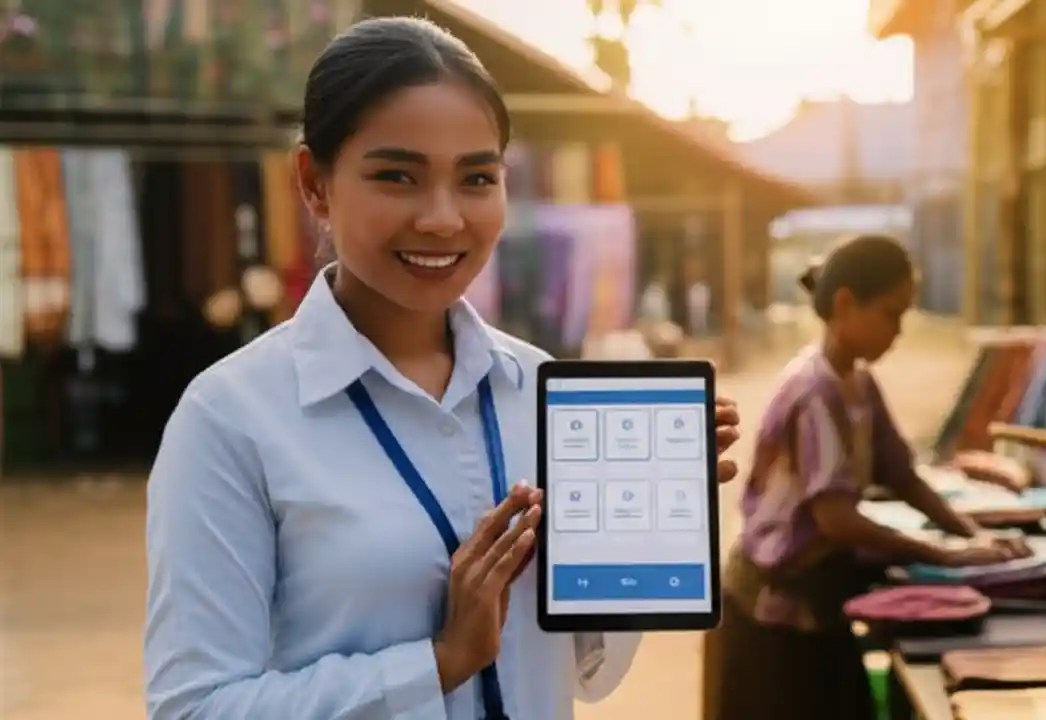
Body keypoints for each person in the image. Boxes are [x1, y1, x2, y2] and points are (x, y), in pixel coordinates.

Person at [143, 17, 743, 720]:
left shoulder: (538, 389)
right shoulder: (232, 417)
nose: (442, 218)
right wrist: (438, 662)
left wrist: (642, 514)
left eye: (477, 178)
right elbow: (193, 709)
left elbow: (590, 670)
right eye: (397, 176)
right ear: (314, 182)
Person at [707, 234, 1027, 720]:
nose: (897, 332)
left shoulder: (858, 382)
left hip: (820, 606)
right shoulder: (814, 389)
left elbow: (904, 478)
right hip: (772, 616)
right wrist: (945, 553)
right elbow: (837, 520)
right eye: (890, 315)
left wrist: (975, 537)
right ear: (844, 304)